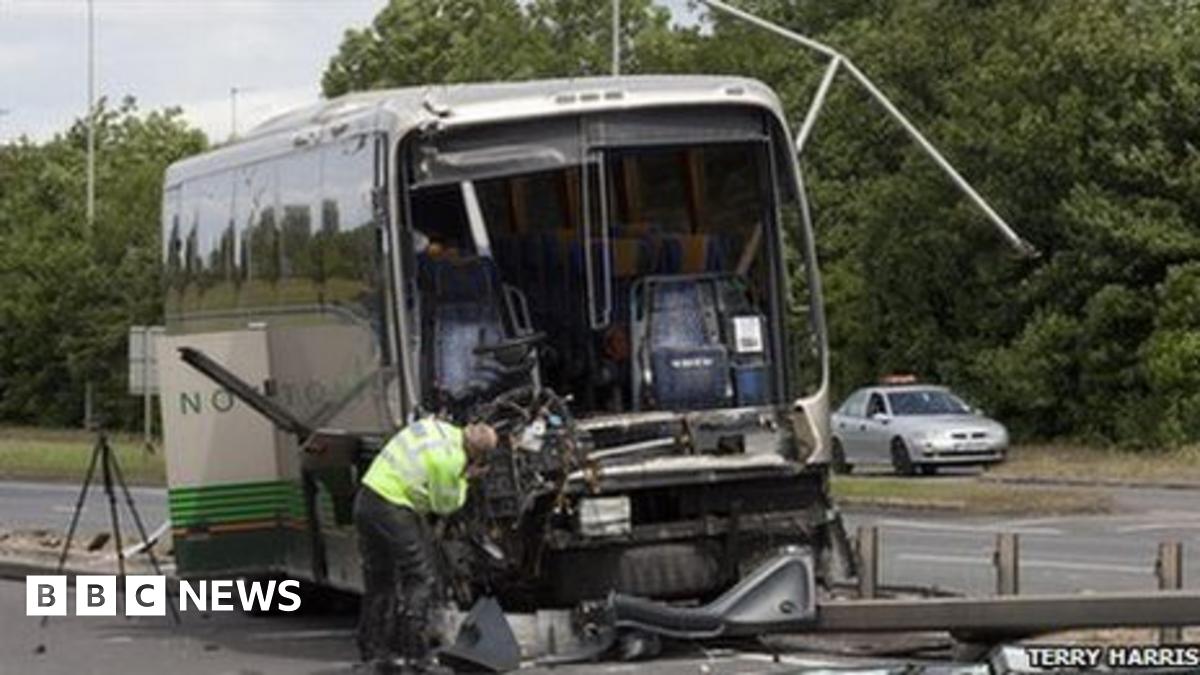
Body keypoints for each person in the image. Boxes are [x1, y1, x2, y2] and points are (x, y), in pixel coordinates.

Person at [354, 416, 498, 673]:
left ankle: (373, 653)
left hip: (367, 498)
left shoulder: (438, 427)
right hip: (392, 505)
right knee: (421, 576)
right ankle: (416, 655)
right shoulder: (450, 460)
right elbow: (445, 505)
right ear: (475, 454)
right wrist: (465, 478)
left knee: (380, 580)